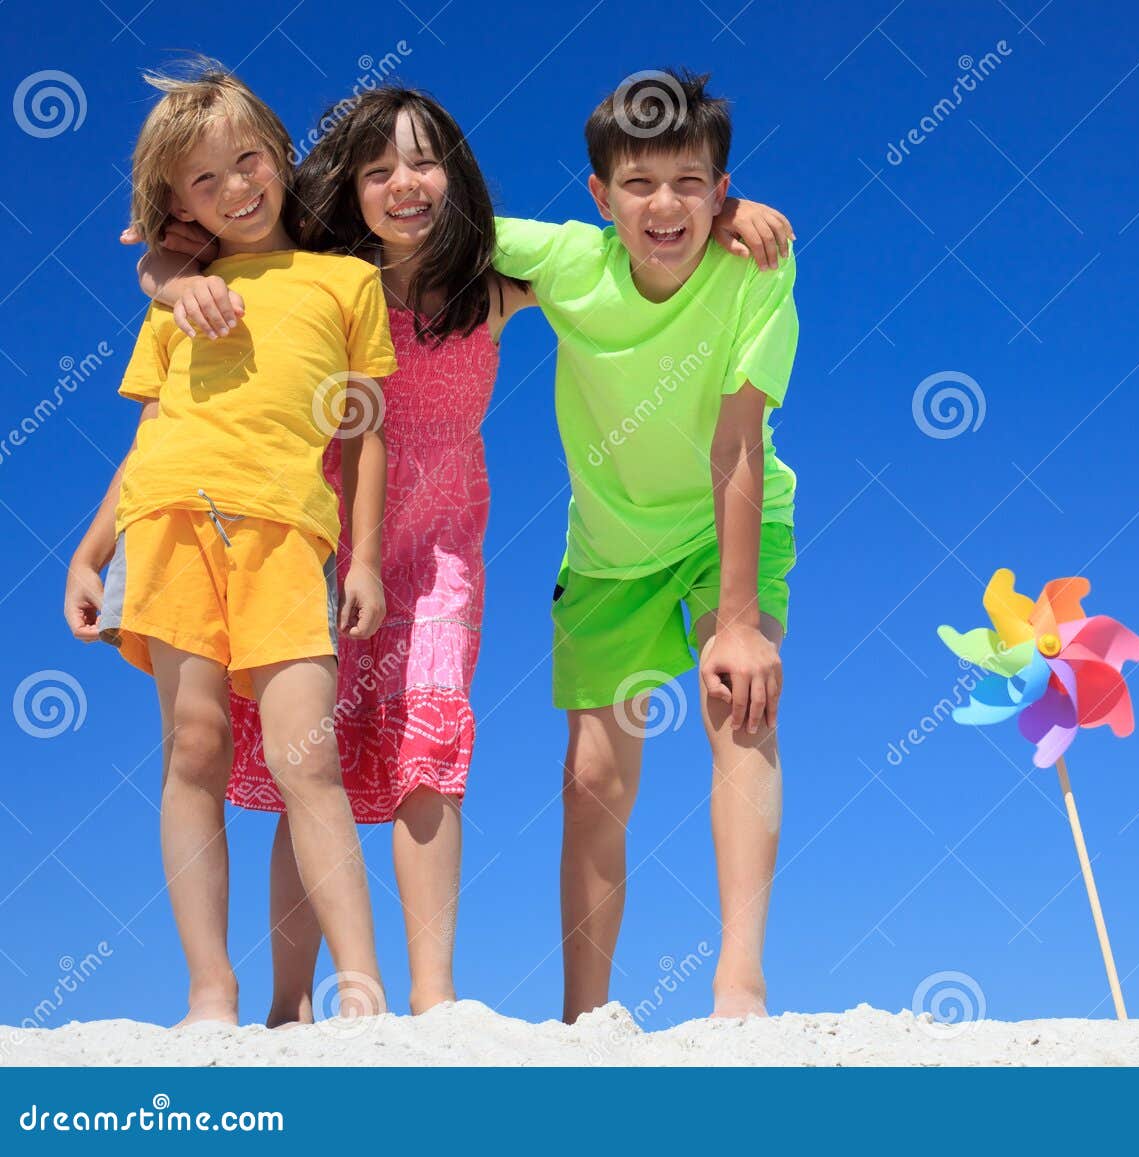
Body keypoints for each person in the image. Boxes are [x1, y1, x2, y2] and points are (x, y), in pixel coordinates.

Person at [123, 82, 794, 1023]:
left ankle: (434, 995)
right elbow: (201, 253)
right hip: (327, 540)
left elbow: (635, 235)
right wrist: (166, 269)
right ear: (346, 187)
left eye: (427, 161)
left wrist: (733, 211)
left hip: (440, 555)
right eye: (379, 167)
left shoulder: (493, 281)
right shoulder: (320, 272)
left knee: (431, 745)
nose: (406, 183)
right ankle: (287, 1006)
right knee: (309, 764)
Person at [62, 61, 392, 1025]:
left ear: (280, 156)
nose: (236, 188)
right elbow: (150, 432)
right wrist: (89, 552)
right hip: (166, 518)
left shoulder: (344, 282)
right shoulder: (177, 294)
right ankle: (211, 988)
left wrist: (363, 555)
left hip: (287, 529)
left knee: (307, 756)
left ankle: (362, 987)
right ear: (175, 202)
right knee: (194, 746)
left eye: (248, 161)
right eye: (204, 181)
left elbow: (365, 429)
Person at [492, 68, 799, 1021]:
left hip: (727, 524)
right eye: (638, 184)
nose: (664, 204)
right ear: (598, 195)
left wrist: (738, 624)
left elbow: (737, 437)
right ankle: (586, 1016)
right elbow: (426, 219)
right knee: (591, 778)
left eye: (691, 181)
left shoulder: (756, 265)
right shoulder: (566, 260)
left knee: (738, 701)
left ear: (721, 186)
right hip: (607, 551)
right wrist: (178, 262)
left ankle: (738, 983)